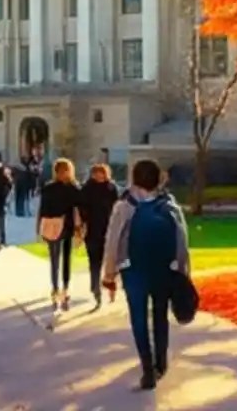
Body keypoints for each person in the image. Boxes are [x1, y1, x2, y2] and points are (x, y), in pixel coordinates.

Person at [101, 159, 191, 392]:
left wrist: (109, 274)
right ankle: (161, 361)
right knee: (160, 315)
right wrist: (182, 272)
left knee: (138, 318)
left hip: (133, 270)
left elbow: (112, 241)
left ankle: (147, 368)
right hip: (162, 269)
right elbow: (182, 242)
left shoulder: (124, 206)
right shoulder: (169, 204)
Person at [37, 158, 82, 311]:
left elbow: (79, 209)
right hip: (52, 226)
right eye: (60, 171)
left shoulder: (74, 188)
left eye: (66, 170)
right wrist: (40, 226)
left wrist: (79, 227)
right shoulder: (49, 188)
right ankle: (55, 288)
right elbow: (43, 209)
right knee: (54, 259)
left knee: (67, 260)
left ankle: (65, 288)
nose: (64, 174)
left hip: (68, 227)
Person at [79, 162, 122, 310]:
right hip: (92, 230)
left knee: (111, 262)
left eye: (101, 173)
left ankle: (111, 288)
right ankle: (95, 289)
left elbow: (118, 207)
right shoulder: (87, 189)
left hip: (109, 230)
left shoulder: (111, 188)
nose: (99, 176)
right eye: (96, 173)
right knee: (94, 262)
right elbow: (81, 208)